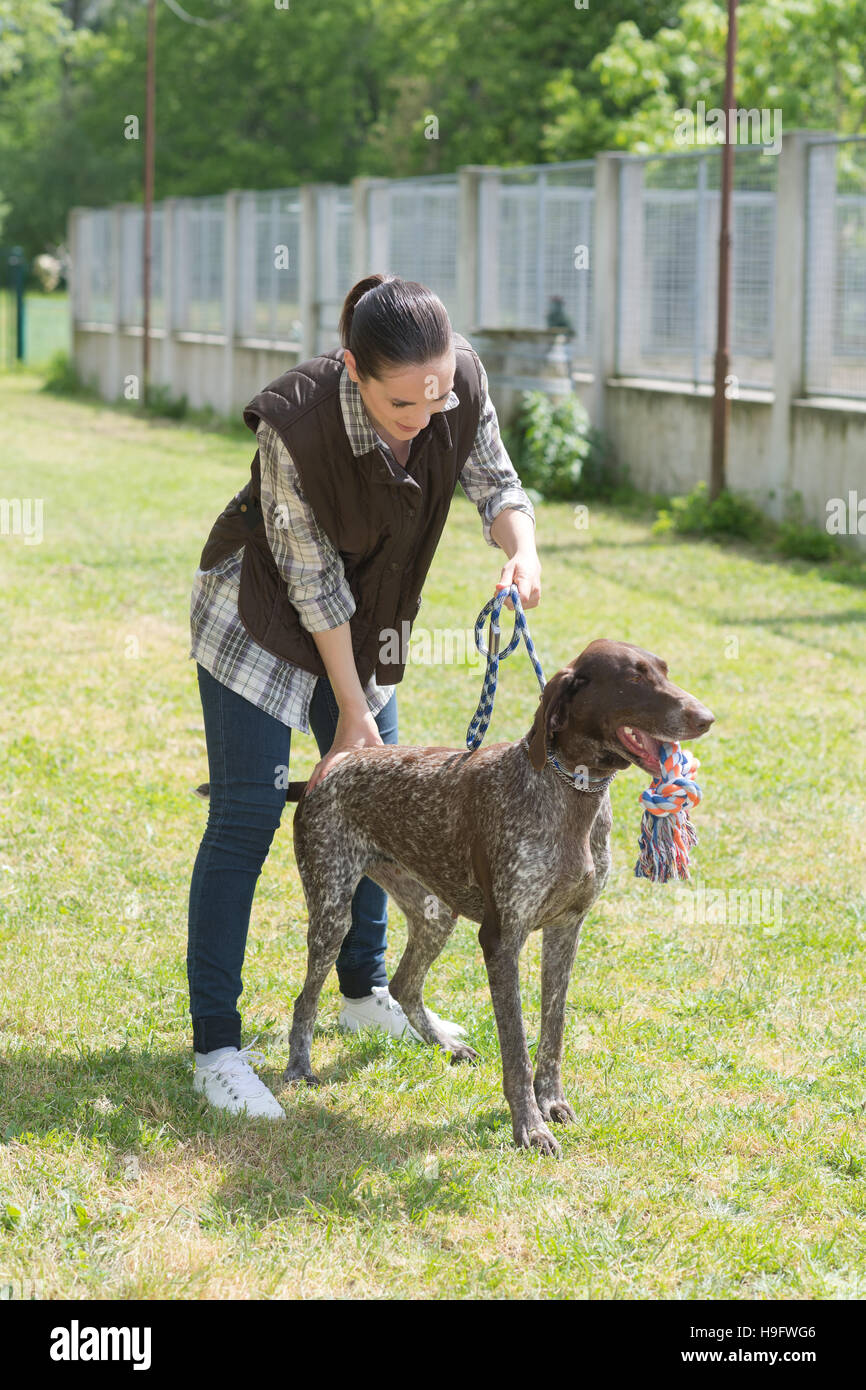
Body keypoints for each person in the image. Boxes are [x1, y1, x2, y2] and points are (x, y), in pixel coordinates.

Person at [186, 272, 541, 1118]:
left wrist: (522, 551)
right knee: (247, 812)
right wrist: (352, 712)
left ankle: (363, 992)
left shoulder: (452, 382)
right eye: (401, 411)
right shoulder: (295, 425)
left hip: (366, 619)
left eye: (437, 401)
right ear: (353, 370)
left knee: (378, 798)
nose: (424, 424)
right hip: (261, 617)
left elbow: (495, 482)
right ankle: (217, 1049)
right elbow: (315, 592)